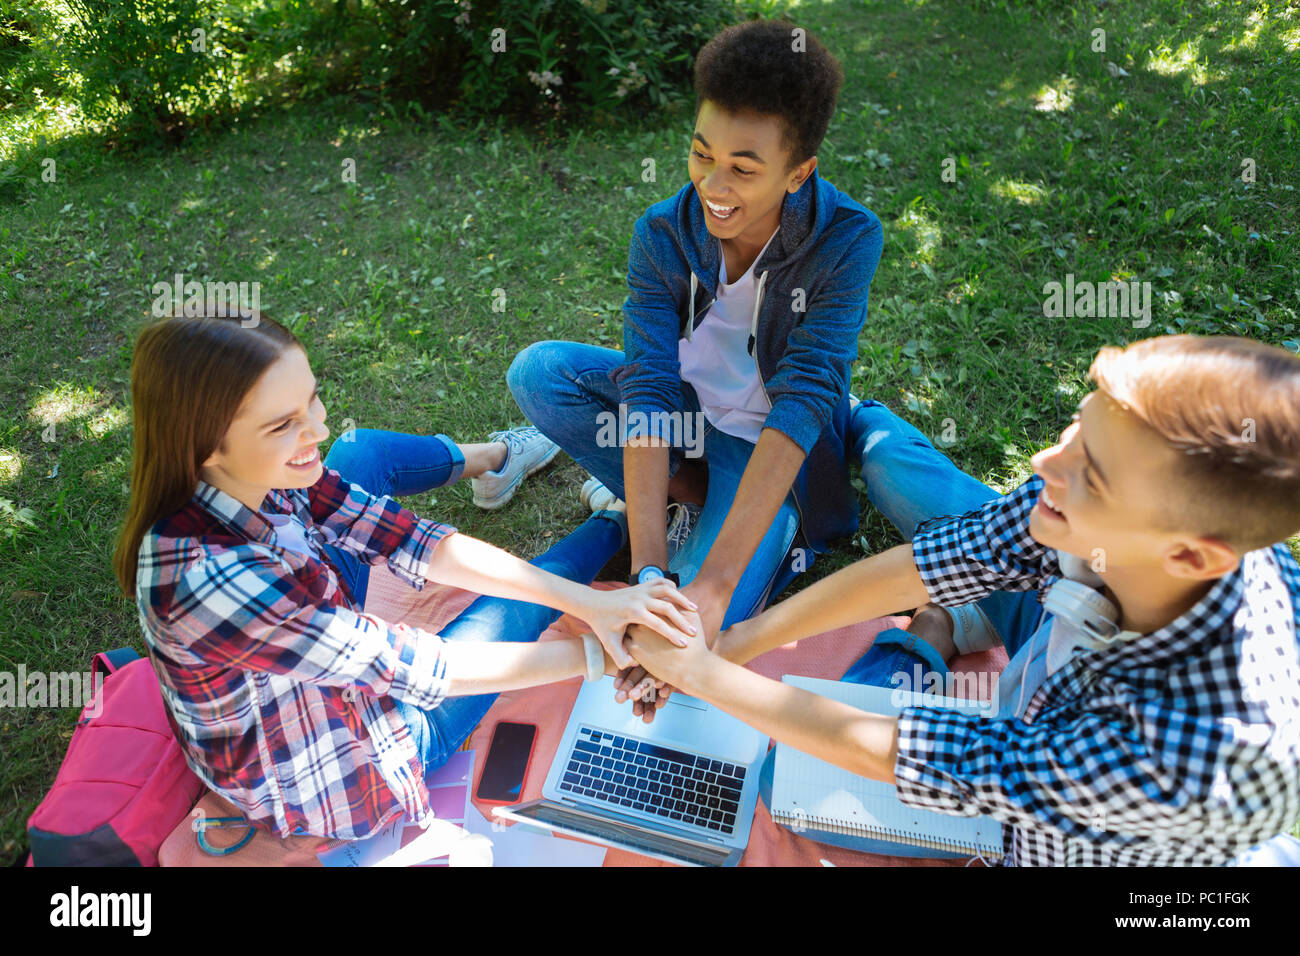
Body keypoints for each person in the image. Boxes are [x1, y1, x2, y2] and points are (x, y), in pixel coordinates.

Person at [624, 334, 1300, 866]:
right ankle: (867, 433)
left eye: (1089, 472)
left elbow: (934, 757)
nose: (1045, 464)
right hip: (1064, 615)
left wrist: (701, 675)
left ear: (1189, 555)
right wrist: (735, 644)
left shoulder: (1209, 751)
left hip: (1046, 831)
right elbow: (927, 564)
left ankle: (951, 622)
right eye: (1077, 430)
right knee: (895, 473)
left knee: (790, 785)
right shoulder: (1114, 514)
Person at [112, 311, 698, 841]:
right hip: (355, 768)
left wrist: (590, 606)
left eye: (312, 401)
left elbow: (410, 540)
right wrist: (607, 650)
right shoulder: (208, 583)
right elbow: (417, 670)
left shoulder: (251, 479)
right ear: (207, 447)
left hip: (326, 656)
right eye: (282, 425)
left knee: (359, 453)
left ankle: (496, 459)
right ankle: (618, 520)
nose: (314, 430)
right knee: (521, 608)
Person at [508, 19, 883, 719]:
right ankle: (683, 495)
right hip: (680, 419)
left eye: (744, 168)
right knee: (541, 373)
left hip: (768, 449)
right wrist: (649, 570)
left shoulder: (847, 238)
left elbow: (803, 400)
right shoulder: (663, 231)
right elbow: (647, 386)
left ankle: (719, 517)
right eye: (701, 153)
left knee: (701, 627)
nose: (714, 185)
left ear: (798, 173)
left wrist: (706, 592)